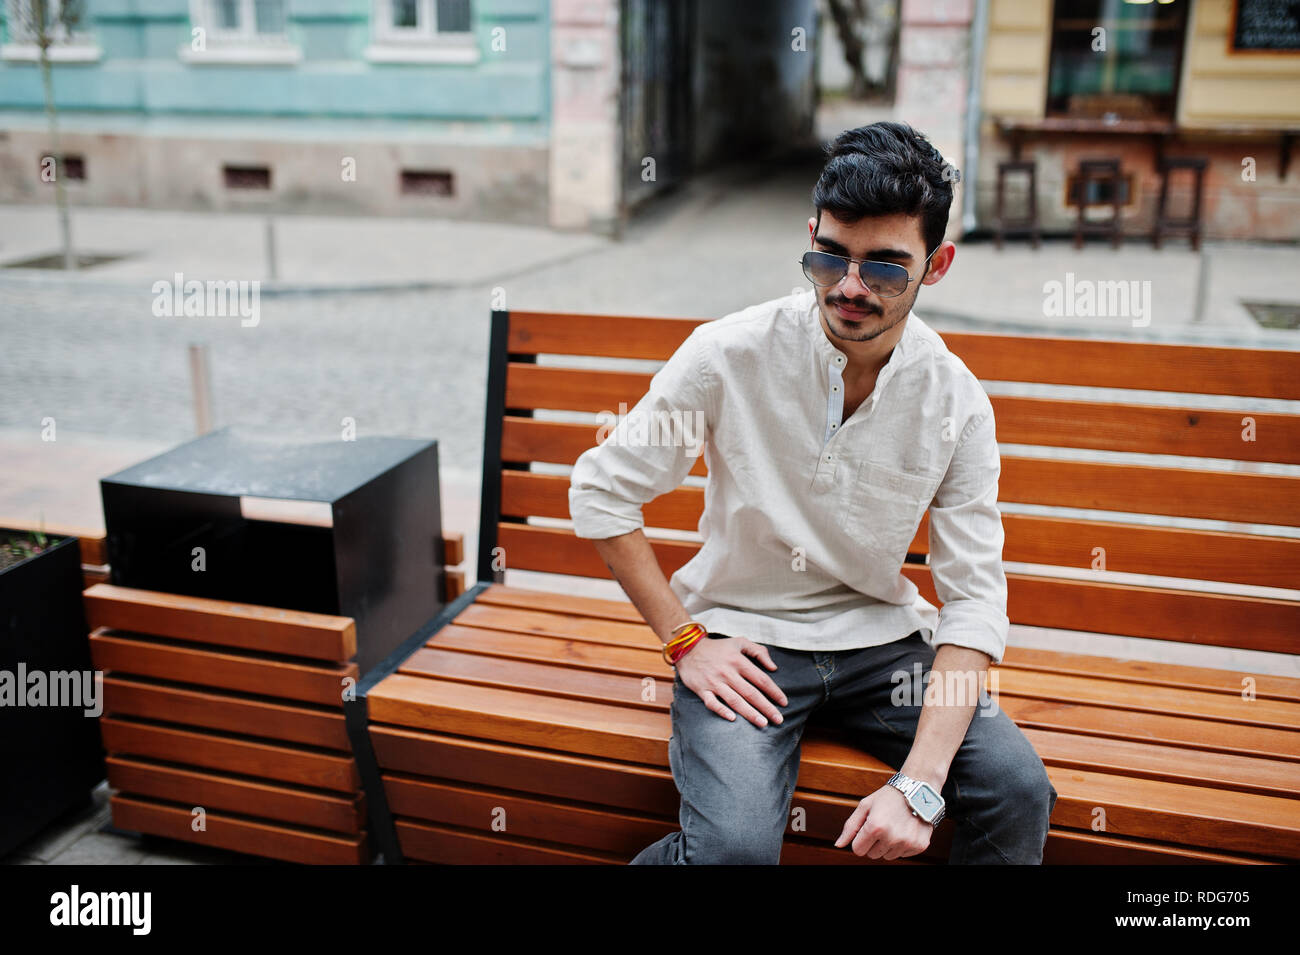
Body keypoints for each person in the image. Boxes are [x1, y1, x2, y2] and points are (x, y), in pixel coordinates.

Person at [567, 121, 1057, 865]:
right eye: (830, 256)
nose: (850, 287)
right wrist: (684, 640)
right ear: (812, 236)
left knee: (1018, 793)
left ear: (939, 263)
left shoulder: (956, 401)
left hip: (884, 647)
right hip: (743, 639)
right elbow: (601, 492)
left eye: (886, 267)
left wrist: (918, 786)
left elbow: (975, 605)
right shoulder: (728, 353)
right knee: (731, 853)